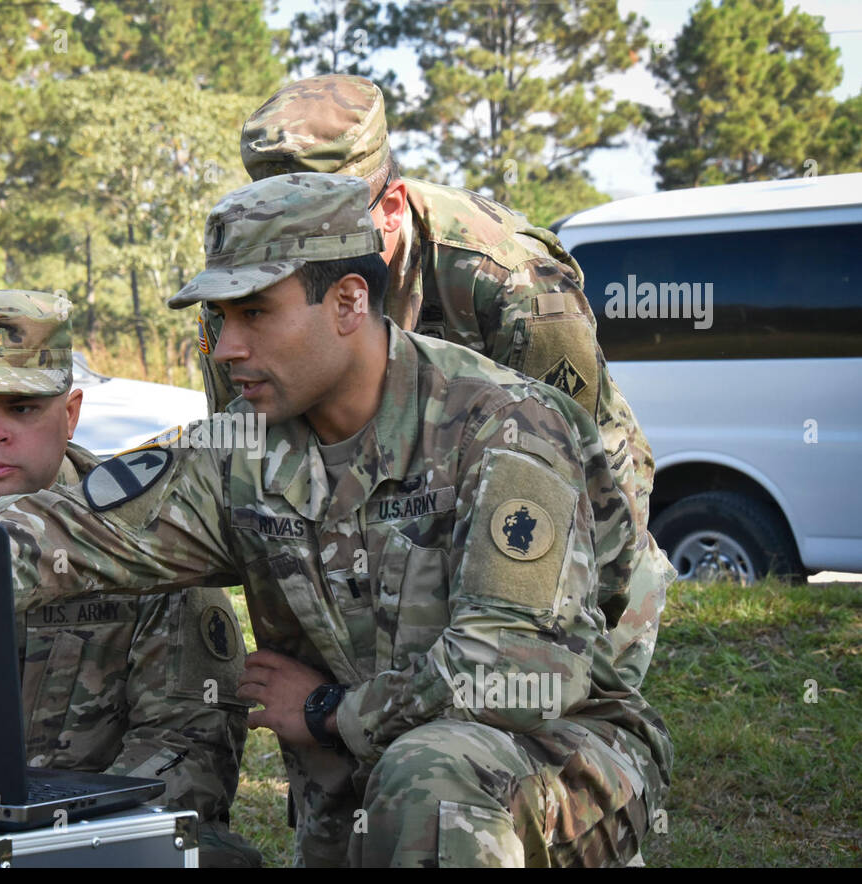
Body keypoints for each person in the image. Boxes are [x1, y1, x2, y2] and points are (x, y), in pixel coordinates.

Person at [0, 175, 672, 867]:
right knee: (411, 784)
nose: (226, 348)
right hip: (371, 792)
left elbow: (516, 670)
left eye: (255, 313)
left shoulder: (503, 426)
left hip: (561, 760)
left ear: (347, 302)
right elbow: (72, 530)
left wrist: (330, 711)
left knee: (433, 776)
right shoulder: (241, 449)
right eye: (220, 318)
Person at [200, 74, 676, 694]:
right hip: (370, 535)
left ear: (390, 207)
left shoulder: (508, 280)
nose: (296, 248)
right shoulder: (242, 309)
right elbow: (243, 470)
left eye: (323, 220)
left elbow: (583, 460)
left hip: (563, 522)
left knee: (533, 714)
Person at [0, 290, 259, 867]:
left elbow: (187, 749)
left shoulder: (145, 536)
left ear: (71, 413)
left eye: (22, 407)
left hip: (93, 838)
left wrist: (44, 846)